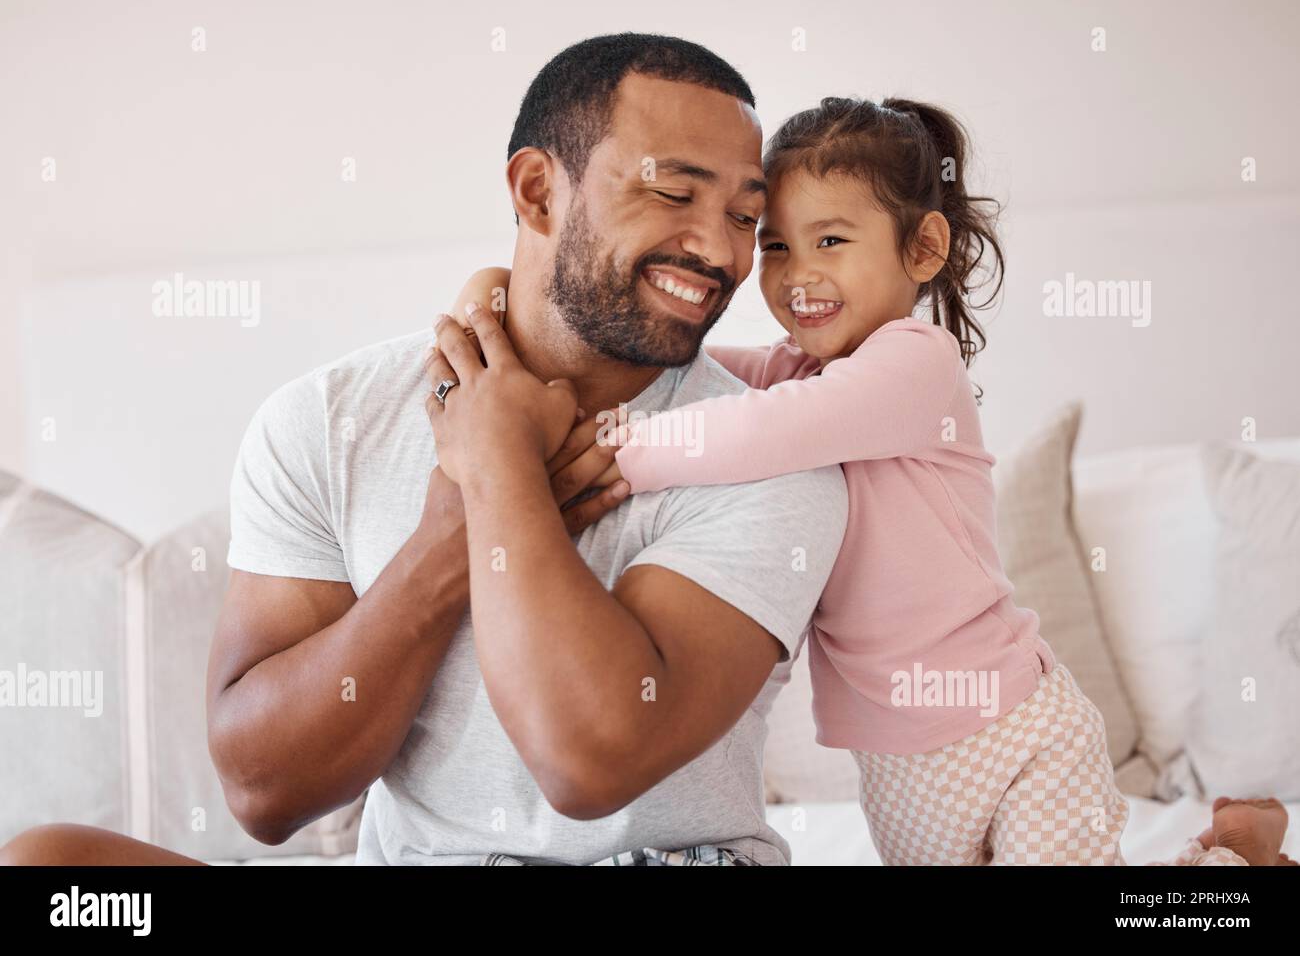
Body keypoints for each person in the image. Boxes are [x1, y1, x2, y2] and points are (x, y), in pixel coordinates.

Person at [0, 33, 848, 867]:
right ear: (537, 191)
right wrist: (456, 526)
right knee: (49, 865)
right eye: (674, 194)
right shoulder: (327, 421)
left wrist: (502, 469)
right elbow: (264, 794)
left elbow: (589, 761)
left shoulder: (769, 454)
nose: (719, 250)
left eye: (745, 215)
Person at [446, 94, 1296, 867]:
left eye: (831, 242)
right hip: (894, 766)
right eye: (775, 246)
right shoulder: (796, 368)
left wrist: (608, 447)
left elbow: (755, 429)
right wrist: (501, 305)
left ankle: (1233, 871)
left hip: (1012, 732)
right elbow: (679, 374)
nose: (797, 275)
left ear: (922, 249)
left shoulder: (913, 365)